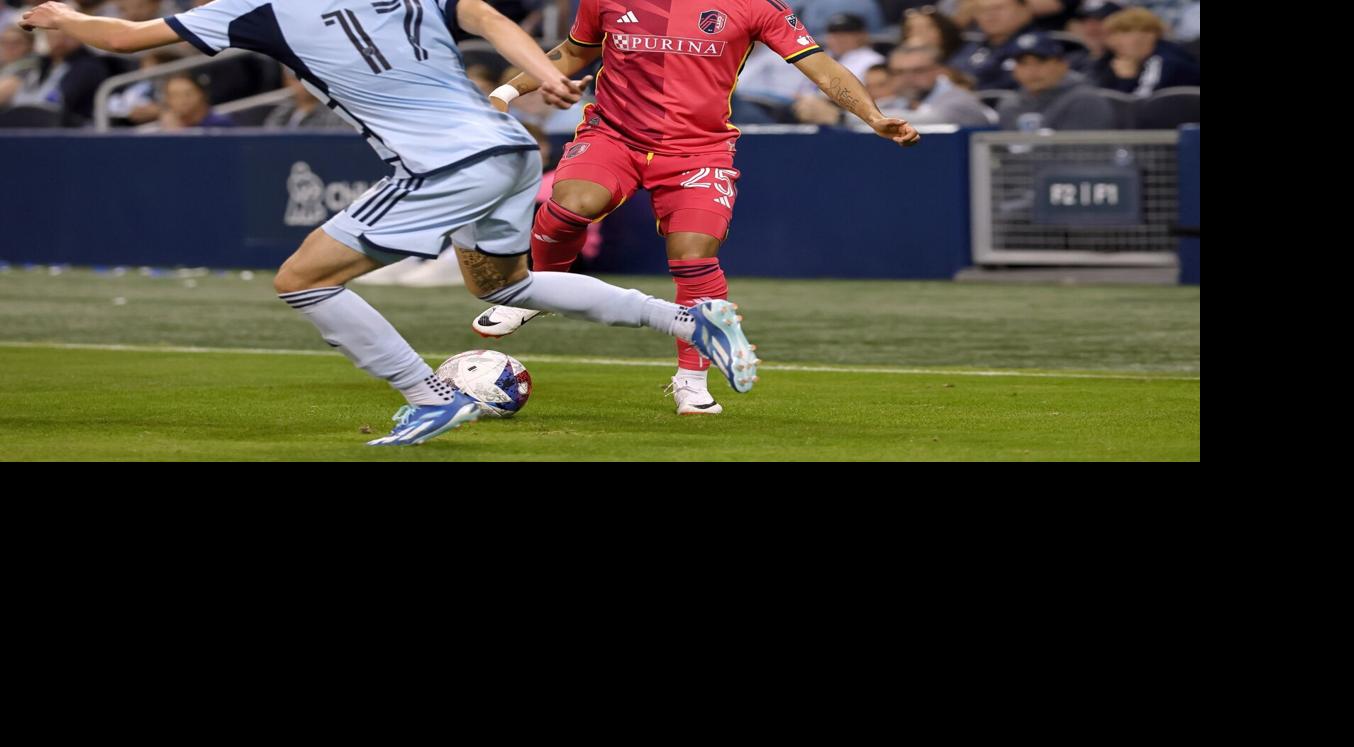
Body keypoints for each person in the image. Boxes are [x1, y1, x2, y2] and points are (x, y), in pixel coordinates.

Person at [19, 0, 760, 445]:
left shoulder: (255, 8)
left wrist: (59, 17)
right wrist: (542, 72)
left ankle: (428, 399)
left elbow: (120, 39)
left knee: (302, 280)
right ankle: (691, 323)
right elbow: (488, 15)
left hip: (447, 163)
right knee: (502, 285)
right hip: (510, 149)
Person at [474, 0, 918, 415]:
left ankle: (692, 379)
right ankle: (536, 290)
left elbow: (820, 66)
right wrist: (507, 93)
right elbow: (574, 51)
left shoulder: (754, 6)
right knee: (572, 203)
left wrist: (872, 116)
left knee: (693, 254)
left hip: (698, 151)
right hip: (612, 136)